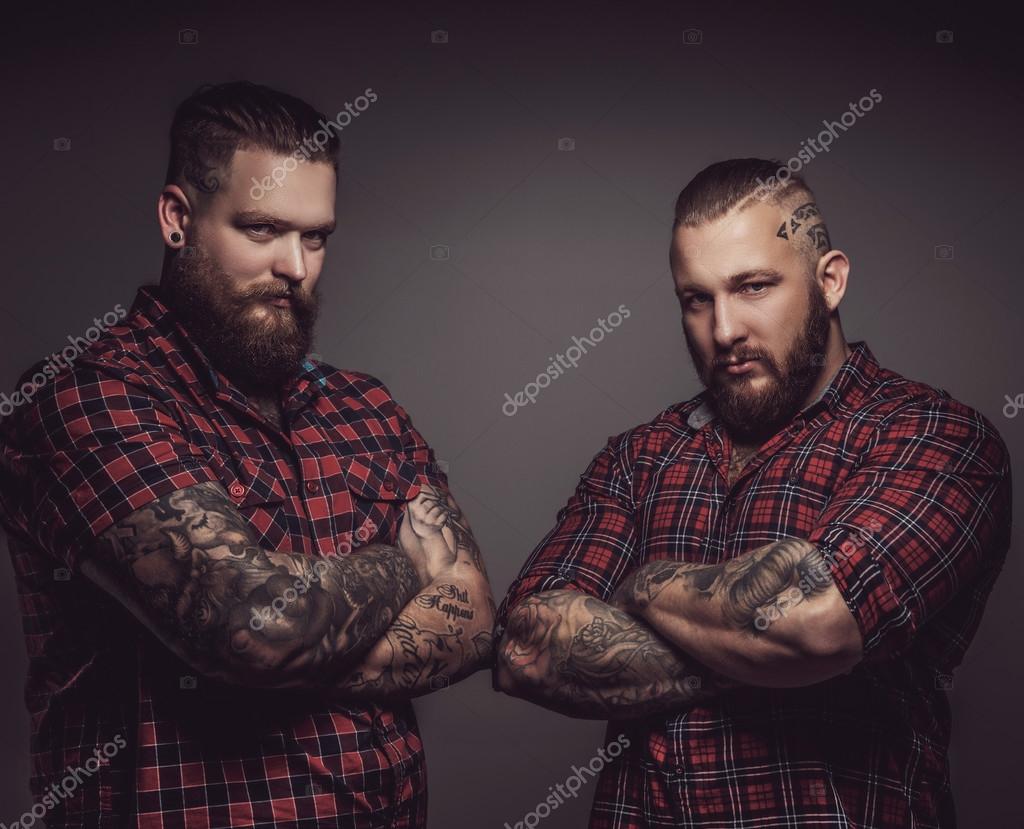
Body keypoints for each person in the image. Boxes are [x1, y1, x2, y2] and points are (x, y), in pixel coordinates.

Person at [0, 80, 494, 829]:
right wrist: (402, 567)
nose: (295, 266)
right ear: (178, 218)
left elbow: (473, 621)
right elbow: (254, 629)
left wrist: (289, 648)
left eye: (317, 236)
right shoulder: (83, 400)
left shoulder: (365, 407)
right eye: (262, 229)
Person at [493, 158, 1012, 827]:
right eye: (697, 298)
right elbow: (525, 648)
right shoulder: (639, 455)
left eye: (754, 286)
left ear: (830, 280)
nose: (725, 329)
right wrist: (753, 648)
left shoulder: (936, 435)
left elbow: (814, 622)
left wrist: (643, 589)